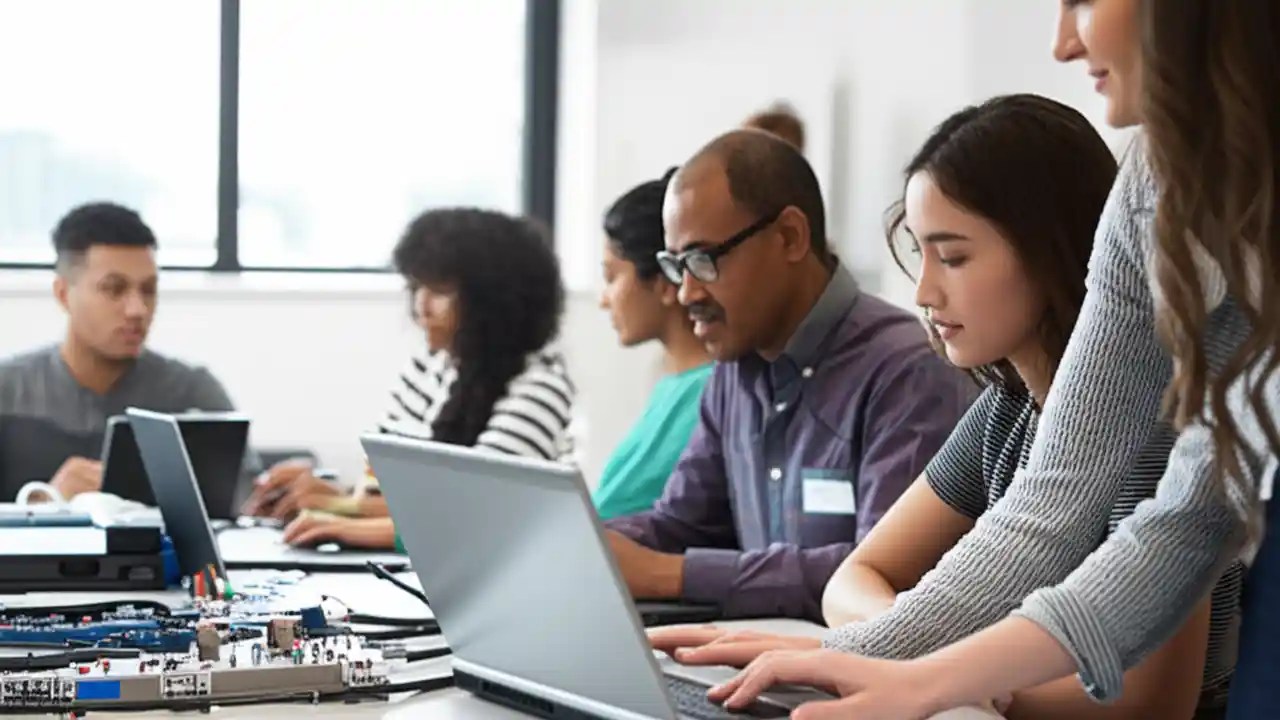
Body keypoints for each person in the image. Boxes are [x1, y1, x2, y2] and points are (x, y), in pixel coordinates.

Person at [673, 2, 1278, 718]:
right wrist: (874, 662)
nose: (1061, 42)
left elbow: (1152, 680)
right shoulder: (1154, 188)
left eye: (1083, 0)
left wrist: (924, 672)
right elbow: (1148, 521)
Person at [603, 128, 977, 622]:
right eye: (676, 266)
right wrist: (585, 546)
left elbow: (882, 576)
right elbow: (678, 524)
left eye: (703, 260)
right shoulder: (733, 375)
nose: (687, 293)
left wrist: (669, 575)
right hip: (755, 670)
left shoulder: (907, 371)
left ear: (789, 237)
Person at [242, 208, 577, 549]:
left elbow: (477, 518)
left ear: (495, 302)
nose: (421, 306)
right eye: (416, 286)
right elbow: (386, 491)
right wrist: (326, 493)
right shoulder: (433, 366)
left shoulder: (539, 385)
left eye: (441, 291)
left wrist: (339, 516)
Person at [0, 202, 250, 501]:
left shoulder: (192, 394)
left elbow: (247, 502)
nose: (137, 309)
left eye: (148, 290)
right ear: (64, 294)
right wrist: (44, 503)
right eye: (114, 289)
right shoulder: (8, 389)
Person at [595, 169, 715, 520]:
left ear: (665, 282)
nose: (604, 299)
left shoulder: (708, 393)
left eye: (612, 277)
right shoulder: (672, 386)